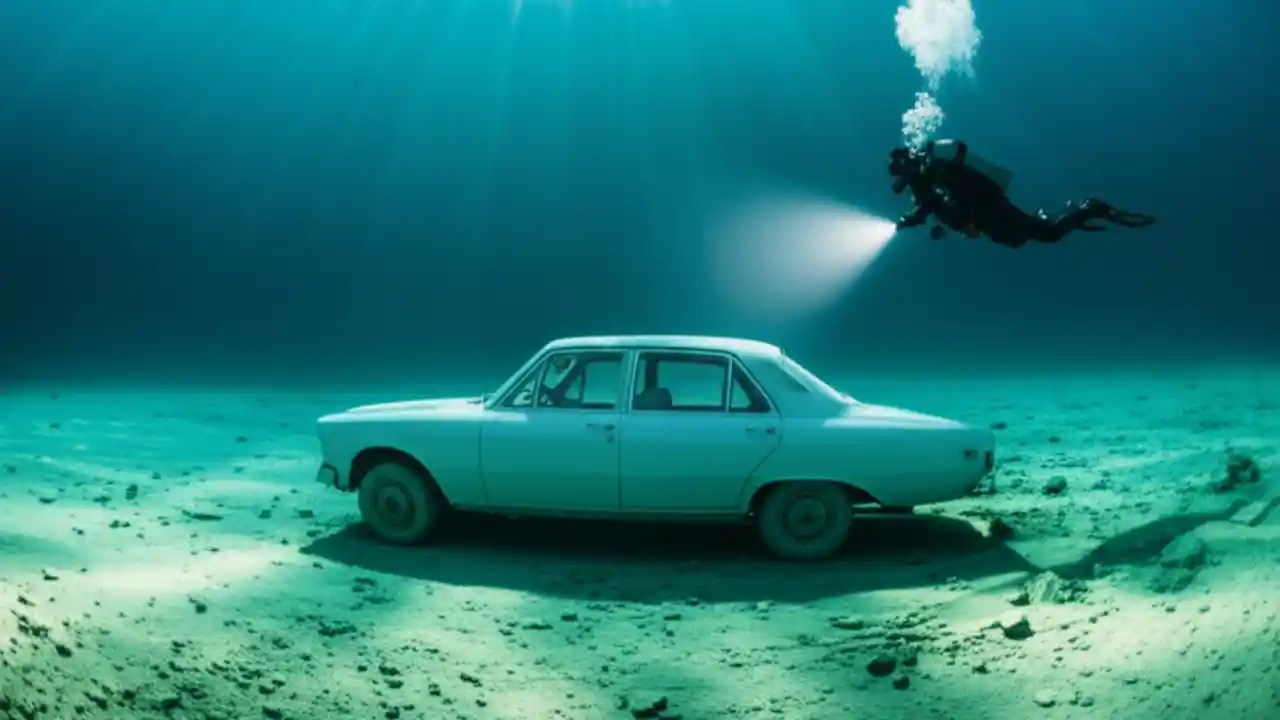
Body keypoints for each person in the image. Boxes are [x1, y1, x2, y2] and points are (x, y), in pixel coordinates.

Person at [889, 140, 1156, 248]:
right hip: (987, 213)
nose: (902, 180)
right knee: (1034, 234)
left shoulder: (931, 171)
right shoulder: (927, 177)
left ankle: (1089, 207)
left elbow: (934, 203)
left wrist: (913, 216)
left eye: (900, 173)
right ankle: (1080, 211)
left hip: (989, 210)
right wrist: (917, 215)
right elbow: (939, 206)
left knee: (1043, 233)